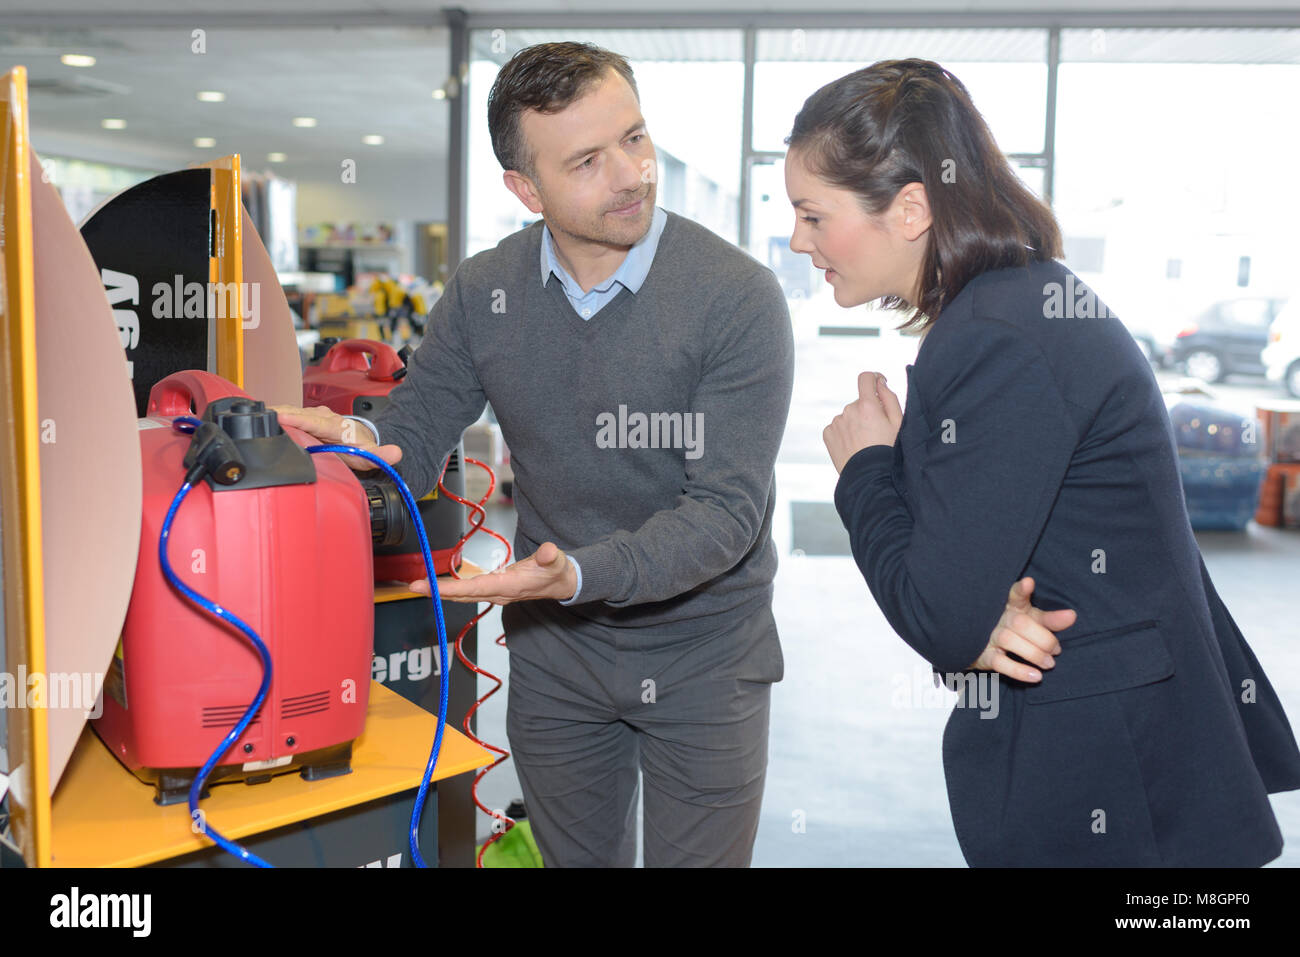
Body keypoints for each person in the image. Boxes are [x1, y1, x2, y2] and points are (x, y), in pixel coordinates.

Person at [275, 41, 794, 867]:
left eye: (634, 137)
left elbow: (724, 515)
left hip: (706, 653)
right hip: (560, 652)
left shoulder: (735, 297)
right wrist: (357, 449)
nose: (631, 174)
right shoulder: (487, 290)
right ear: (526, 188)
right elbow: (416, 431)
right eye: (587, 160)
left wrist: (578, 573)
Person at [787, 58, 1300, 866]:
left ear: (911, 207)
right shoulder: (1018, 302)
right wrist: (974, 612)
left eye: (814, 215)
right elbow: (974, 584)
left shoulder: (994, 336)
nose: (798, 239)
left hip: (1114, 779)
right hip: (1128, 755)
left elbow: (939, 612)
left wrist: (866, 471)